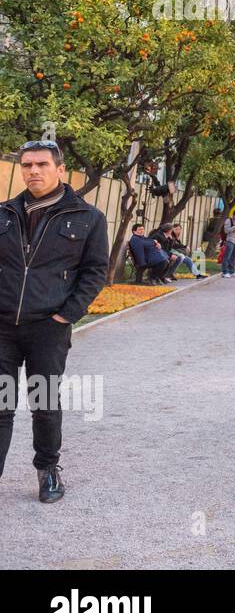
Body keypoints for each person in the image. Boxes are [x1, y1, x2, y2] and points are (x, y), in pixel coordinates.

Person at [0, 139, 108, 503]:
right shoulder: (4, 213)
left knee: (43, 402)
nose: (33, 171)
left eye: (42, 164)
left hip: (48, 328)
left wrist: (67, 315)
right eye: (27, 164)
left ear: (60, 170)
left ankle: (48, 470)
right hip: (2, 328)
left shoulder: (87, 217)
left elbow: (95, 272)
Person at [221, 210, 235, 278]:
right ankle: (225, 271)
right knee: (227, 257)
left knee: (233, 257)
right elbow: (226, 231)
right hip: (230, 241)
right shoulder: (228, 221)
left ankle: (232, 271)